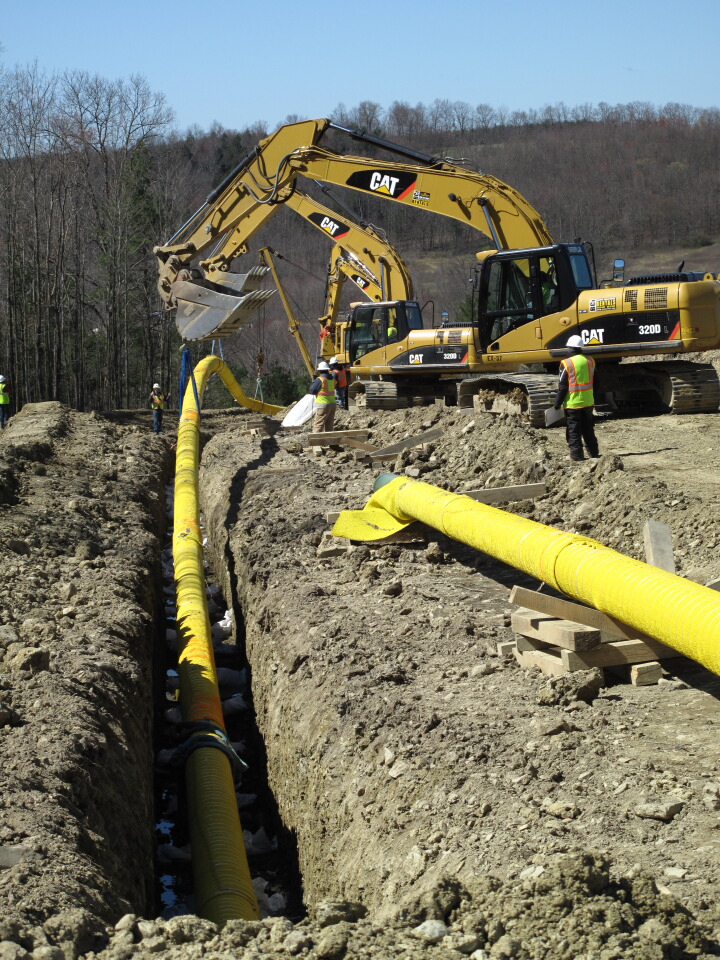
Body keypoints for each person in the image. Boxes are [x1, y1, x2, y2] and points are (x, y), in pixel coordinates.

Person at [553, 334, 599, 462]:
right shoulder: (590, 361)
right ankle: (594, 453)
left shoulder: (566, 363)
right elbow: (597, 382)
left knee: (574, 430)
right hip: (588, 402)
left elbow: (563, 386)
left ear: (570, 348)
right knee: (588, 428)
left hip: (573, 403)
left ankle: (576, 455)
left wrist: (557, 403)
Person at [309, 361, 337, 432]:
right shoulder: (332, 379)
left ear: (320, 370)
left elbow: (312, 390)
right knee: (329, 424)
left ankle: (316, 441)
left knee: (318, 424)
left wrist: (314, 382)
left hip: (323, 405)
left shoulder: (320, 379)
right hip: (333, 404)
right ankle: (331, 441)